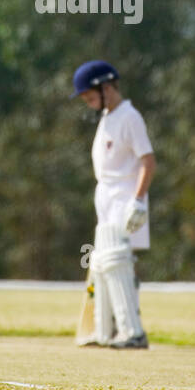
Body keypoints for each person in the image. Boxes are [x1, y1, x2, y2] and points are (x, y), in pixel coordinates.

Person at [72, 60, 155, 349]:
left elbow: (148, 161)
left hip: (125, 196)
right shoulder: (108, 117)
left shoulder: (129, 116)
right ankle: (105, 331)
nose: (88, 103)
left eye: (90, 96)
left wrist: (138, 200)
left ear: (107, 87)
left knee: (118, 263)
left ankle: (133, 333)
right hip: (106, 197)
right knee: (102, 263)